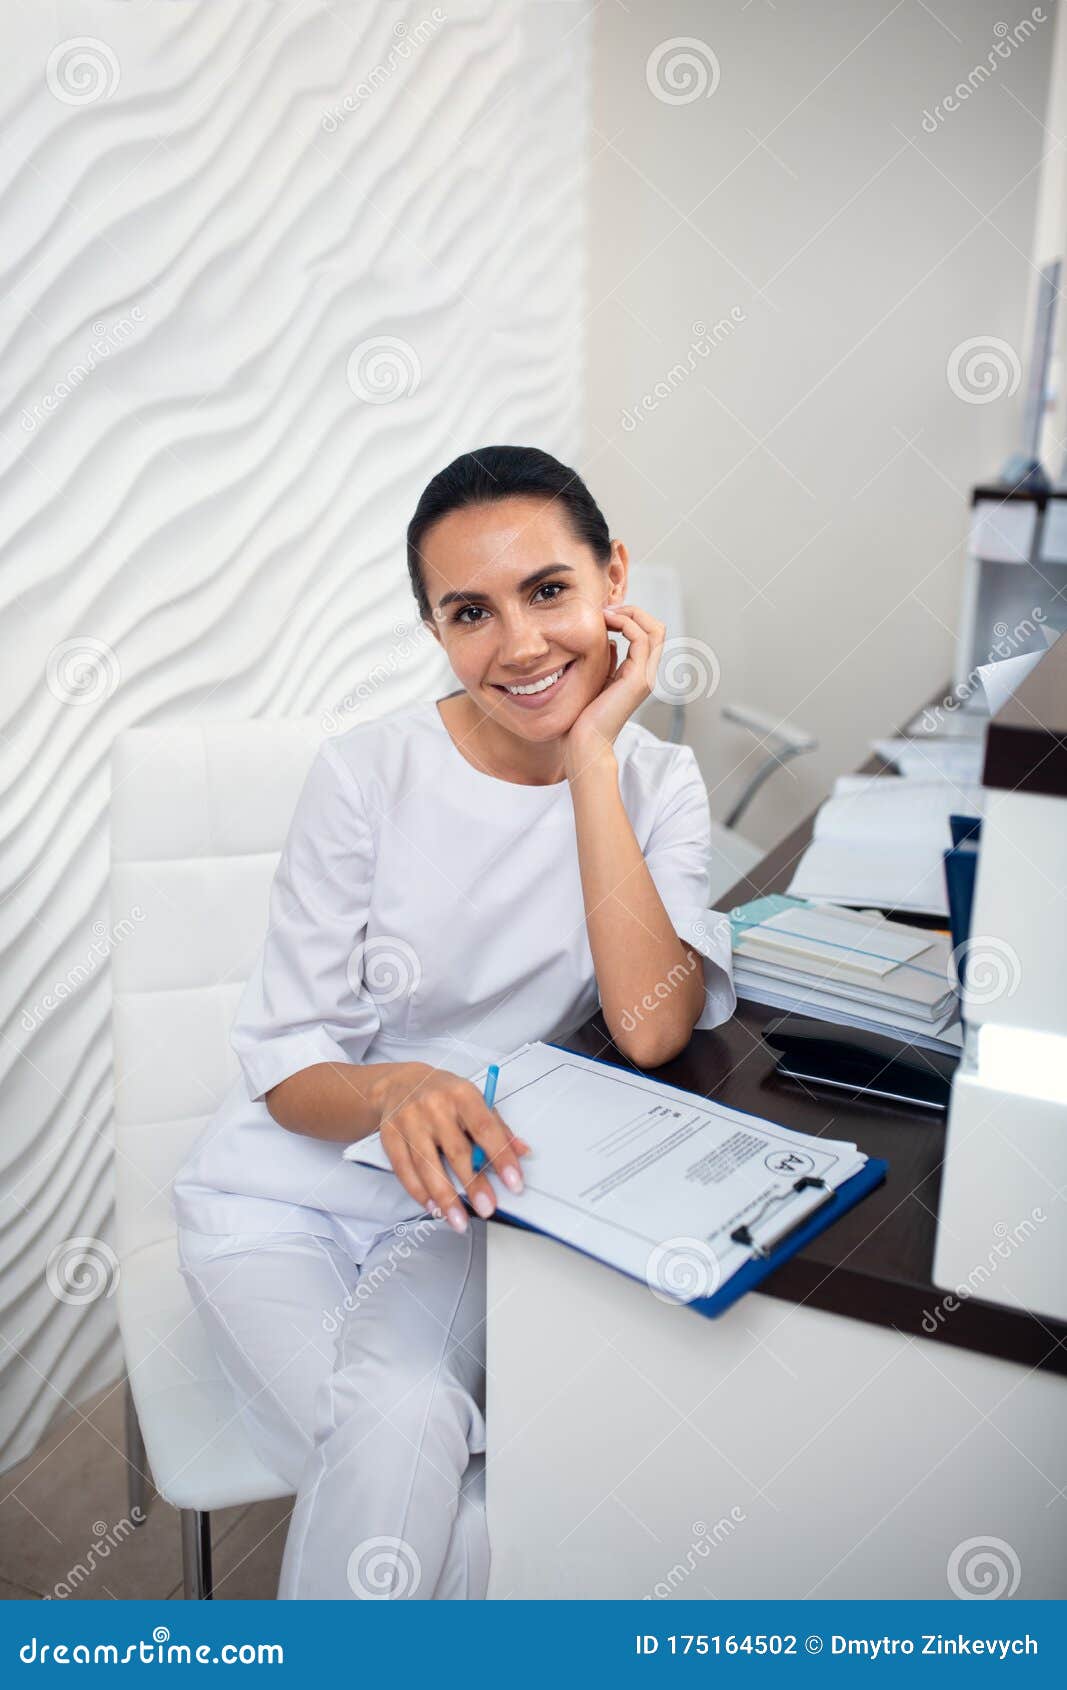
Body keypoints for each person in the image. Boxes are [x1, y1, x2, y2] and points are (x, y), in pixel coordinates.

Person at [171, 444, 737, 1600]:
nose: (520, 646)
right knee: (466, 1496)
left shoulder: (656, 782)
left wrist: (588, 754)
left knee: (409, 1433)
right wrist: (393, 1088)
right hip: (283, 1190)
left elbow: (649, 1027)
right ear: (434, 628)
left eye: (547, 591)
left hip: (458, 1205)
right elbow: (287, 1062)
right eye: (469, 612)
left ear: (612, 577)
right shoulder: (364, 775)